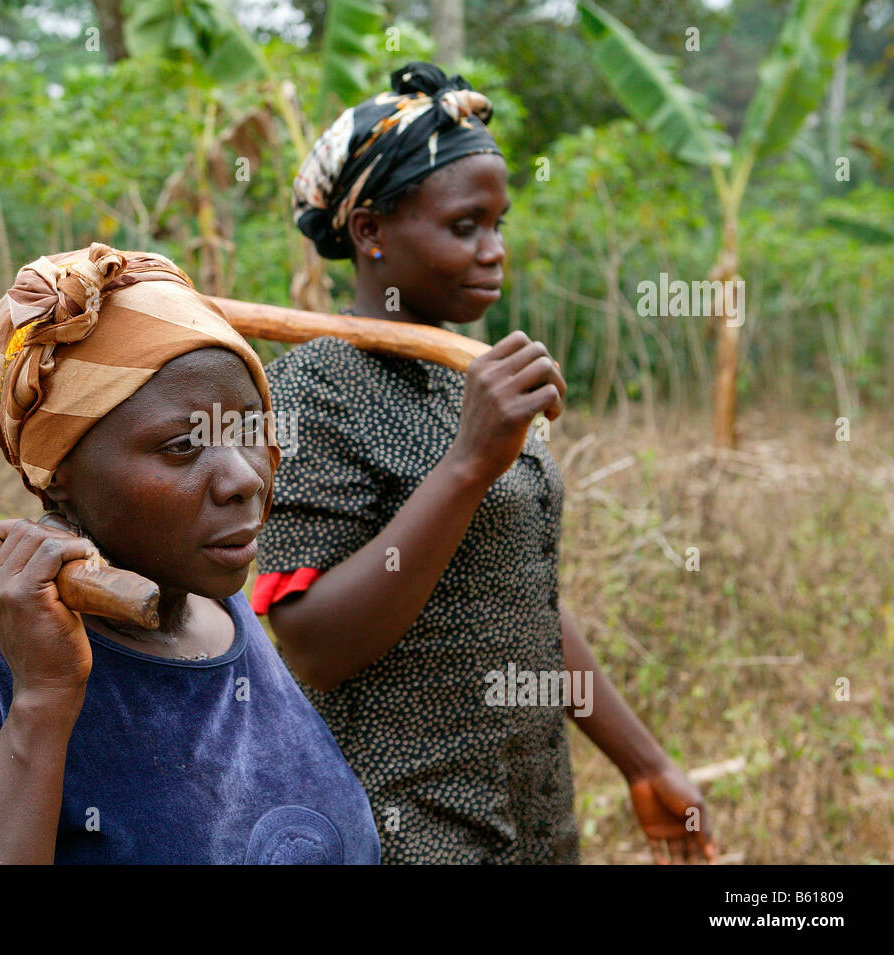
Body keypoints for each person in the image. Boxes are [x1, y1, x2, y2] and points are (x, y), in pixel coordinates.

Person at [252, 62, 718, 865]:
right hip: (403, 821)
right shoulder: (314, 385)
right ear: (370, 232)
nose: (495, 251)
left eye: (499, 223)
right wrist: (470, 461)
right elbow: (314, 644)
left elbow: (519, 598)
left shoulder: (471, 373)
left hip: (528, 812)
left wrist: (643, 762)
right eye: (465, 226)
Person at [0, 243, 380, 864]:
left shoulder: (218, 612)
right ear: (58, 472)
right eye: (182, 446)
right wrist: (43, 698)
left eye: (249, 428)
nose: (245, 479)